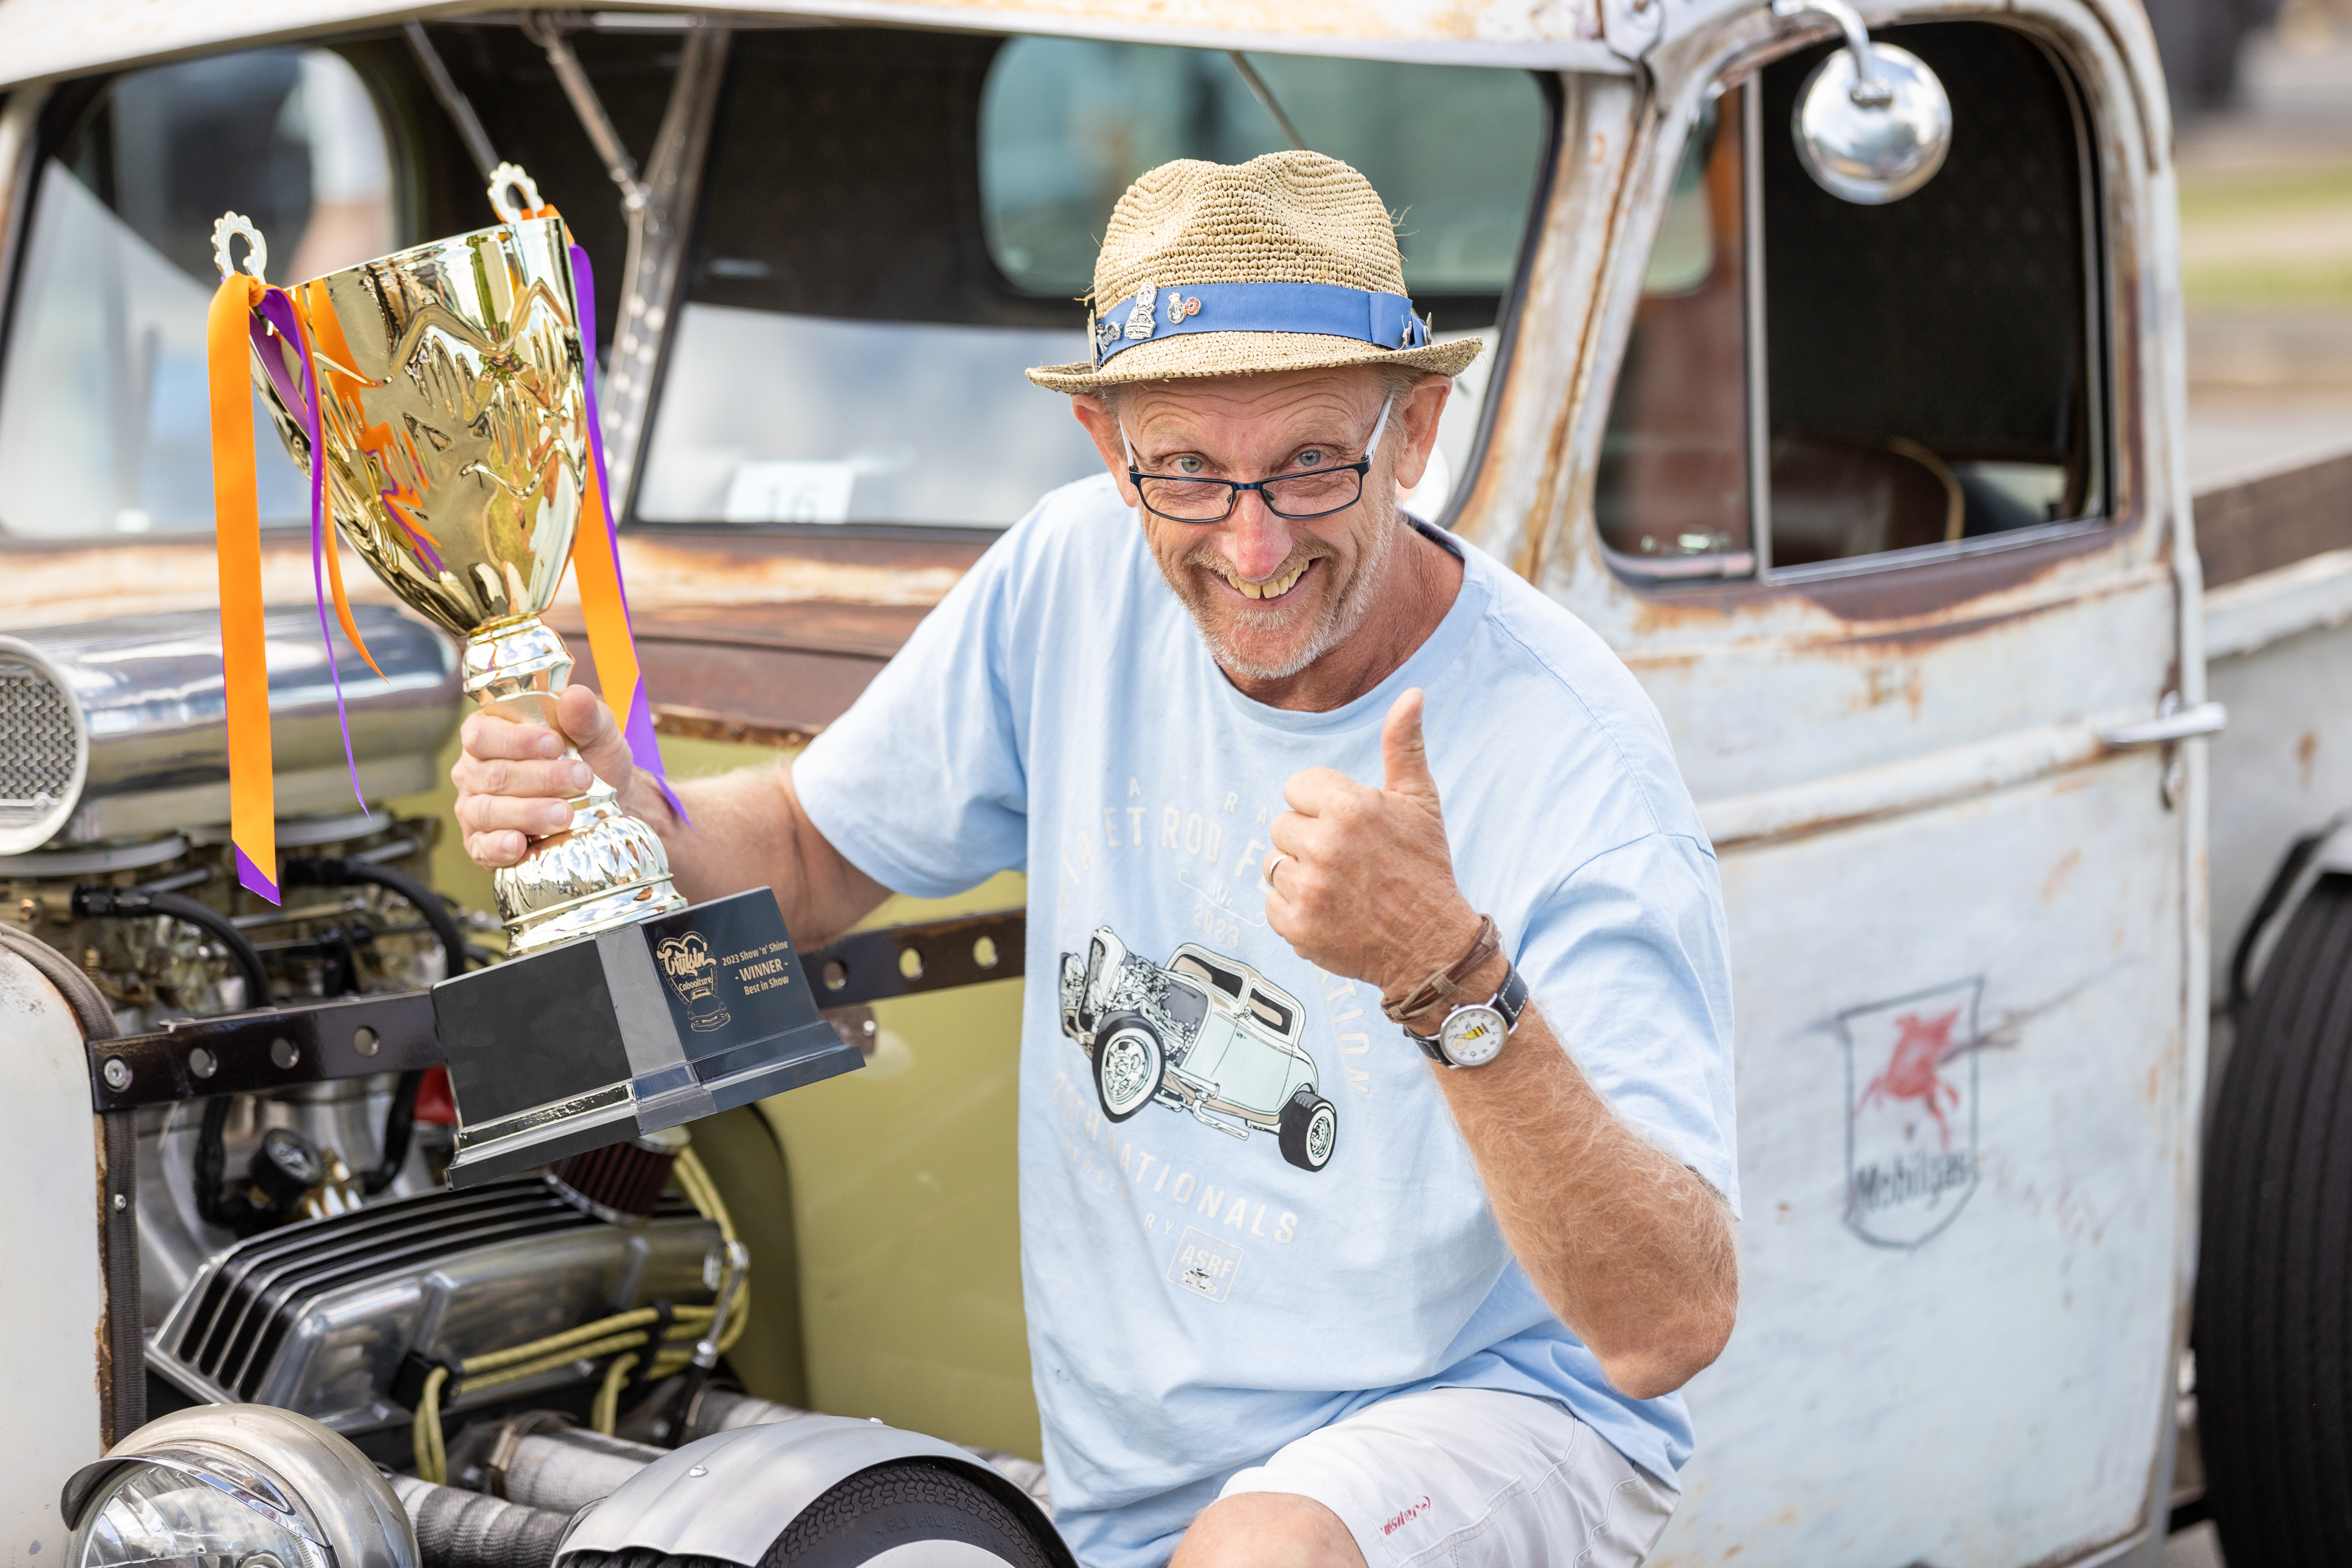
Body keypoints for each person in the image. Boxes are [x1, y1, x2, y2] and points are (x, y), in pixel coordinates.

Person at [454, 150, 1740, 1568]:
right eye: (1187, 471)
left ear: (1418, 428)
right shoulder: (1070, 572)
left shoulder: (1573, 757)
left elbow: (1666, 1325)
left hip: (1499, 1414)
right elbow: (817, 852)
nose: (1251, 545)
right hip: (1138, 1478)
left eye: (1313, 461)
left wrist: (1445, 972)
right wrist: (632, 818)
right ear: (1108, 451)